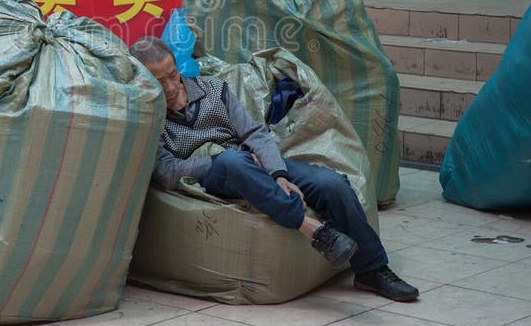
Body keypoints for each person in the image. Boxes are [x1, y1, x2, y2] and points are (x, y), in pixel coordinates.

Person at [129, 36, 419, 302]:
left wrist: (279, 175)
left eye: (172, 75)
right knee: (232, 162)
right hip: (212, 174)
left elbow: (254, 134)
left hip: (251, 163)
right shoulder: (150, 117)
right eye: (159, 81)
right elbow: (166, 171)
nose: (170, 87)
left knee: (331, 184)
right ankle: (312, 230)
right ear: (144, 81)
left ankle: (372, 269)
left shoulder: (214, 89)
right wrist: (217, 161)